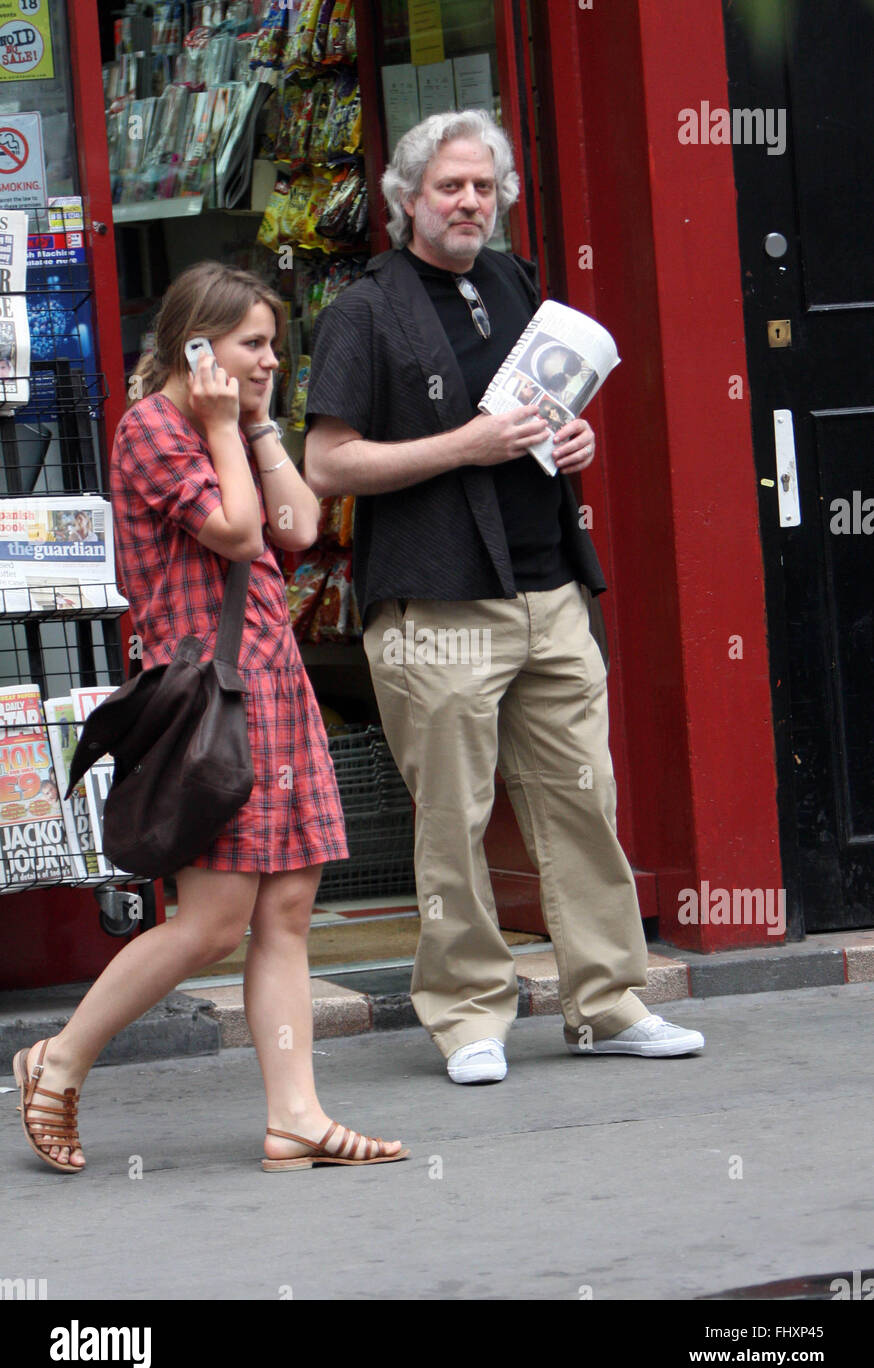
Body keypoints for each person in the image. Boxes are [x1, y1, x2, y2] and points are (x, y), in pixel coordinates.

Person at [305, 111, 704, 1084]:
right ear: (406, 200)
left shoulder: (512, 282)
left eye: (484, 187)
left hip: (550, 586)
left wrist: (575, 445)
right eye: (451, 187)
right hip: (437, 602)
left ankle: (608, 1002)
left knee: (581, 802)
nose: (471, 203)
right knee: (452, 816)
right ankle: (468, 1015)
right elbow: (325, 463)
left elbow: (537, 416)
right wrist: (463, 448)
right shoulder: (363, 309)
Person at [13, 262, 408, 1172]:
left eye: (274, 343)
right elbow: (237, 530)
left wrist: (258, 425)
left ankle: (296, 1117)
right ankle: (60, 1061)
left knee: (290, 912)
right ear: (197, 349)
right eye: (252, 345)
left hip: (271, 688)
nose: (270, 359)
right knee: (213, 922)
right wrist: (227, 425)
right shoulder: (154, 427)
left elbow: (300, 526)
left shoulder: (232, 424)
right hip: (210, 700)